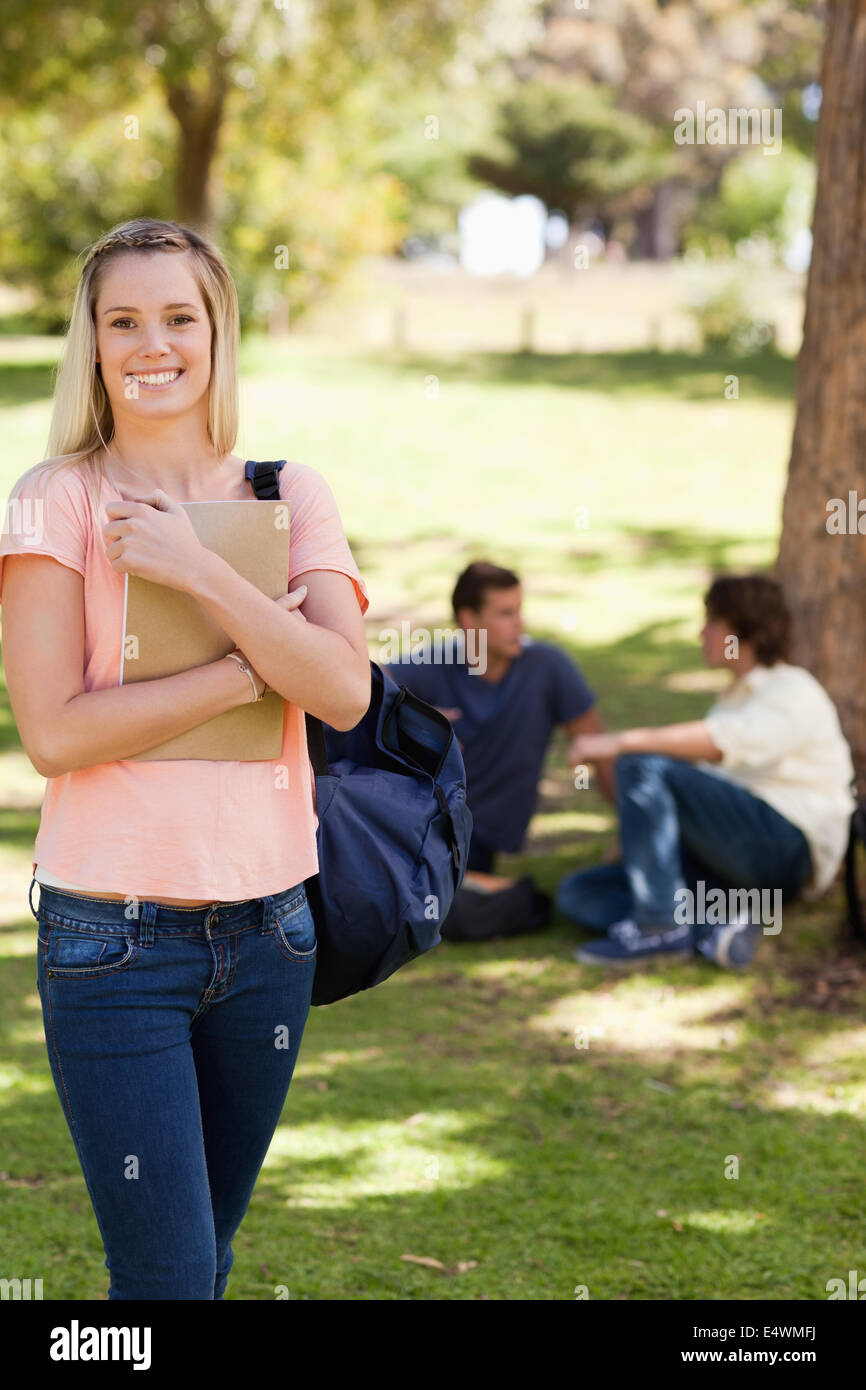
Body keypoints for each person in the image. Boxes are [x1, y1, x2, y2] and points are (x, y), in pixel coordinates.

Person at [0, 218, 371, 1299]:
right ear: (93, 341)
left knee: (201, 1262)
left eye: (178, 316)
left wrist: (198, 571)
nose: (150, 343)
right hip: (111, 940)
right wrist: (248, 668)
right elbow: (56, 732)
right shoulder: (52, 497)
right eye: (123, 320)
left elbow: (343, 691)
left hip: (272, 933)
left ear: (217, 332)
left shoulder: (289, 491)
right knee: (163, 1280)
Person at [557, 574, 856, 969]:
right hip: (733, 857)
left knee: (640, 764)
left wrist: (618, 742)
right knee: (580, 892)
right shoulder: (731, 701)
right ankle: (715, 926)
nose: (702, 634)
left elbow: (719, 744)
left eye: (713, 623)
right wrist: (642, 847)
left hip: (784, 847)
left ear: (745, 631)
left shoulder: (791, 689)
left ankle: (660, 929)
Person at [382, 560, 614, 874]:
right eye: (506, 613)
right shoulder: (432, 664)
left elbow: (600, 750)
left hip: (484, 834)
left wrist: (631, 831)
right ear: (468, 619)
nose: (519, 623)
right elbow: (361, 688)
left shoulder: (548, 667)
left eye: (519, 610)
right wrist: (412, 719)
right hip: (429, 829)